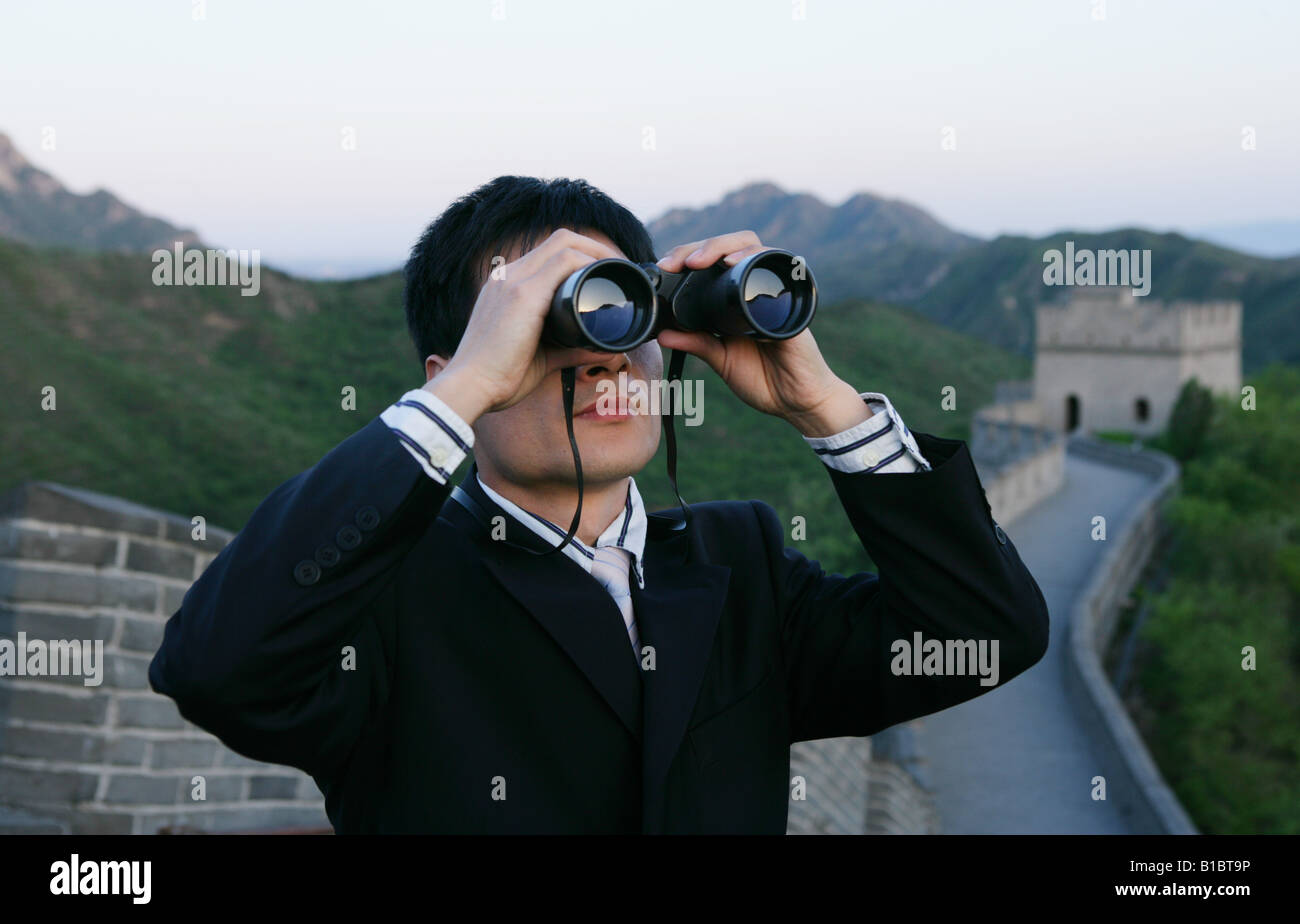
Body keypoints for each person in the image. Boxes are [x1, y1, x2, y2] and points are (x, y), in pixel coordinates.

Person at [149, 176, 1049, 833]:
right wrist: (462, 394)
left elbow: (986, 632)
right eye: (547, 326)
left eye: (627, 315)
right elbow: (216, 669)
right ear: (459, 372)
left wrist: (827, 405)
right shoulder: (388, 596)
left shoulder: (743, 569)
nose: (606, 359)